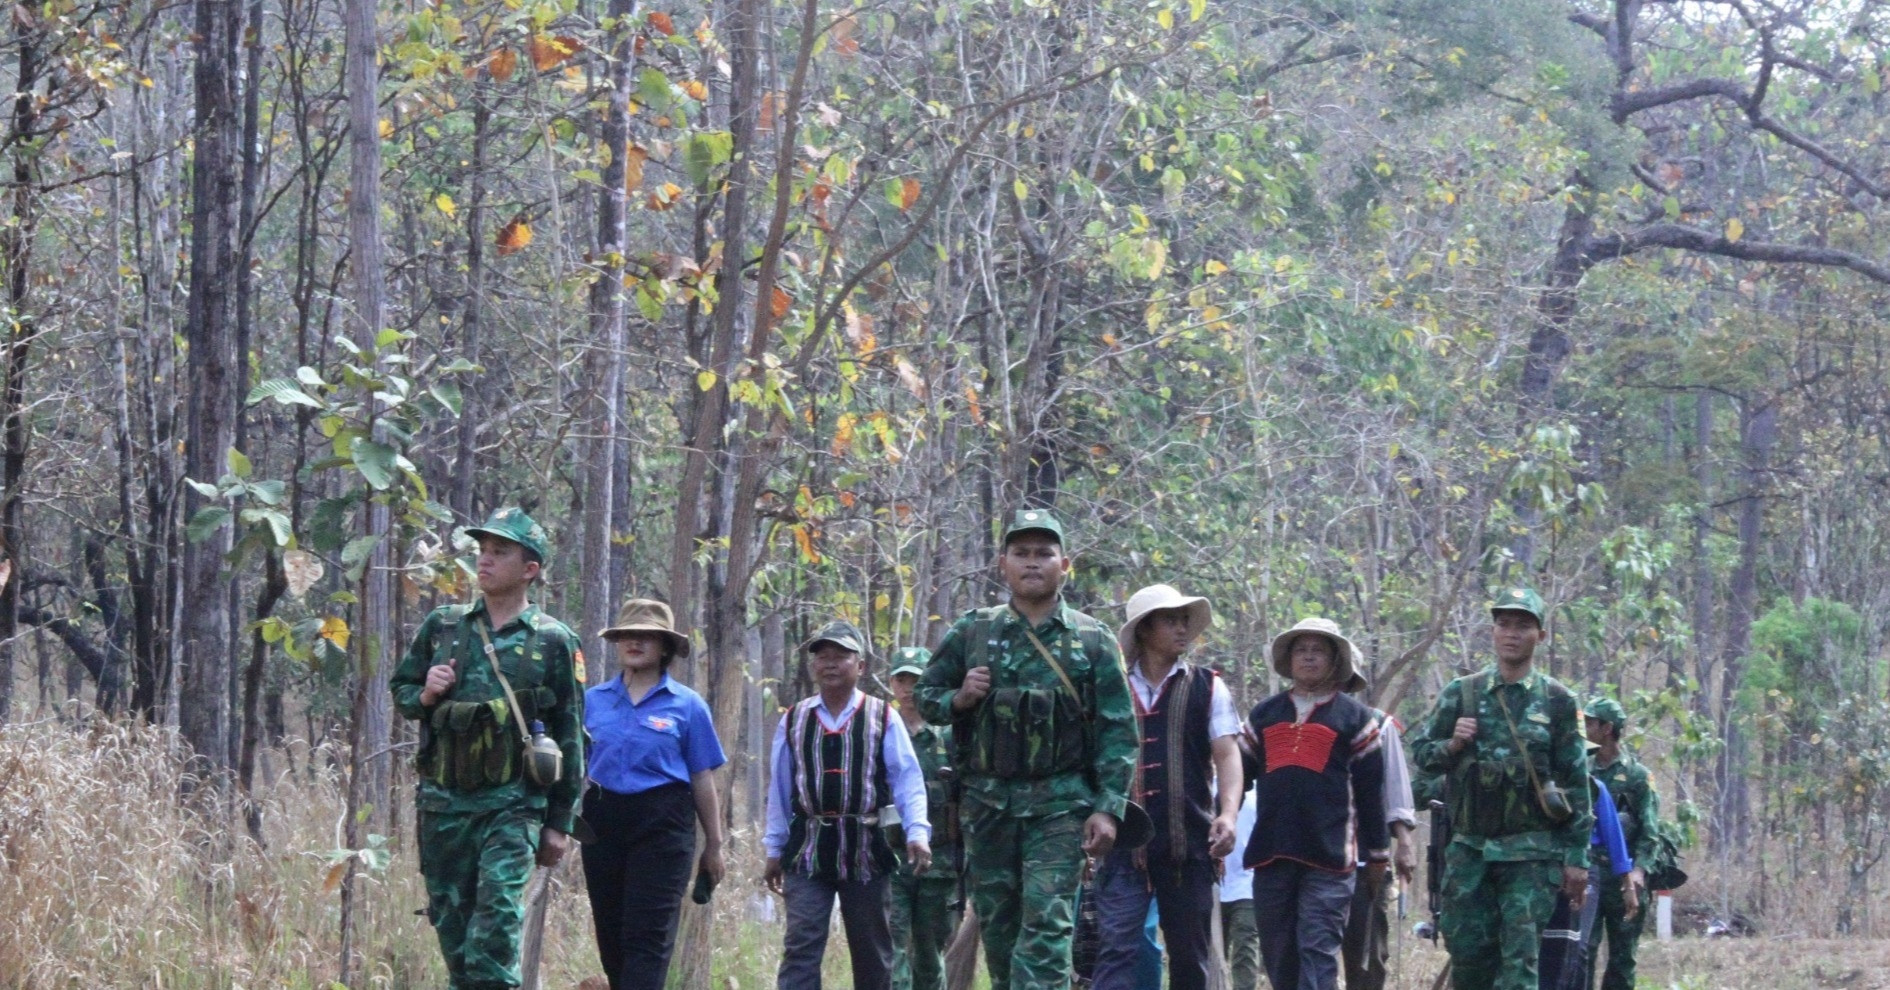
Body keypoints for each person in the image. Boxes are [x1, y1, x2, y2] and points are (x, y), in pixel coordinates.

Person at [916, 508, 1139, 990]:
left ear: (1065, 564)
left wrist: (1108, 809)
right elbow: (924, 698)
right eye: (1022, 553)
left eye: (1044, 553)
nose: (1033, 563)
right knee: (1001, 930)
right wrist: (959, 698)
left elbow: (1118, 730)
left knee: (1047, 928)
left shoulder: (1091, 640)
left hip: (1061, 807)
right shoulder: (973, 632)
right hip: (988, 806)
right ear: (1003, 564)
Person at [390, 507, 585, 990]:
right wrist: (428, 692)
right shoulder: (444, 626)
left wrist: (559, 822)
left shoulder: (553, 641)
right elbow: (403, 693)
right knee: (455, 941)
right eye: (482, 551)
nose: (485, 561)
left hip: (512, 807)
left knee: (494, 930)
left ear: (530, 569)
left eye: (501, 552)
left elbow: (571, 733)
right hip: (444, 807)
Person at [1412, 587, 1593, 990]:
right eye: (1503, 624)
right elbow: (1422, 756)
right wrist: (1453, 744)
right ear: (1492, 632)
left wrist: (1577, 858)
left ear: (1540, 635)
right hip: (1469, 850)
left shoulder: (1558, 700)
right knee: (1469, 959)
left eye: (1523, 626)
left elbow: (1576, 782)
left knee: (1519, 965)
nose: (1511, 633)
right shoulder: (1462, 693)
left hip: (1531, 853)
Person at [764, 619, 933, 990]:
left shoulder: (882, 716)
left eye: (841, 656)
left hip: (866, 848)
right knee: (801, 947)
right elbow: (778, 788)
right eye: (822, 656)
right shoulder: (794, 719)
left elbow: (908, 780)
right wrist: (774, 848)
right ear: (813, 667)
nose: (830, 663)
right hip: (807, 849)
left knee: (873, 952)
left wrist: (917, 832)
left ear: (860, 666)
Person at [1092, 584, 1243, 990]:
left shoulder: (1209, 686)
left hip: (1189, 844)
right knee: (1115, 950)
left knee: (1190, 957)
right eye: (1170, 620)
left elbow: (1227, 756)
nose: (1181, 629)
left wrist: (1228, 815)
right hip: (1121, 845)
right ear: (1144, 629)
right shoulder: (1111, 690)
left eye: (1184, 621)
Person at [579, 598, 726, 990]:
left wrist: (714, 845)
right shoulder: (593, 701)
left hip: (663, 824)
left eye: (647, 636)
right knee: (611, 936)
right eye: (628, 634)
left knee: (647, 937)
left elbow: (701, 777)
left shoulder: (688, 706)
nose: (636, 642)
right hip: (602, 822)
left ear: (665, 647)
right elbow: (572, 765)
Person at [1243, 617, 1389, 990]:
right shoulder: (1264, 715)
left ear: (1334, 660)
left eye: (1318, 650)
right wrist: (1217, 818)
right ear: (1289, 659)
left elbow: (1372, 795)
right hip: (1271, 854)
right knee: (1278, 955)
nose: (1308, 658)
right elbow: (1236, 777)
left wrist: (1378, 854)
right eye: (1301, 650)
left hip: (1329, 859)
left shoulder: (1357, 719)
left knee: (1318, 950)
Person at [1338, 672, 1419, 990]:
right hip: (1308, 859)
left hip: (1363, 861)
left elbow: (1396, 789)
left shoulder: (1377, 724)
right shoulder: (1292, 721)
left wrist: (1405, 842)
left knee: (1366, 953)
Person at [887, 647, 959, 990]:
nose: (909, 688)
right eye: (902, 679)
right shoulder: (880, 731)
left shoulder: (948, 735)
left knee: (929, 954)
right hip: (890, 857)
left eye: (916, 680)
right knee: (891, 946)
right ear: (892, 684)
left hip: (939, 861)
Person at [1581, 699, 1656, 990]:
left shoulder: (1637, 776)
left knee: (1622, 959)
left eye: (1590, 723)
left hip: (1622, 879)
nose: (1585, 728)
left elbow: (1650, 831)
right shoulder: (1581, 770)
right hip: (1587, 875)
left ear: (1607, 728)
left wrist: (1639, 872)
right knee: (1581, 950)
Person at [1221, 782, 1262, 990]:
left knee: (1245, 949)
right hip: (1213, 885)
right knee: (1212, 954)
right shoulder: (1211, 787)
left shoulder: (1260, 792)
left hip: (1247, 885)